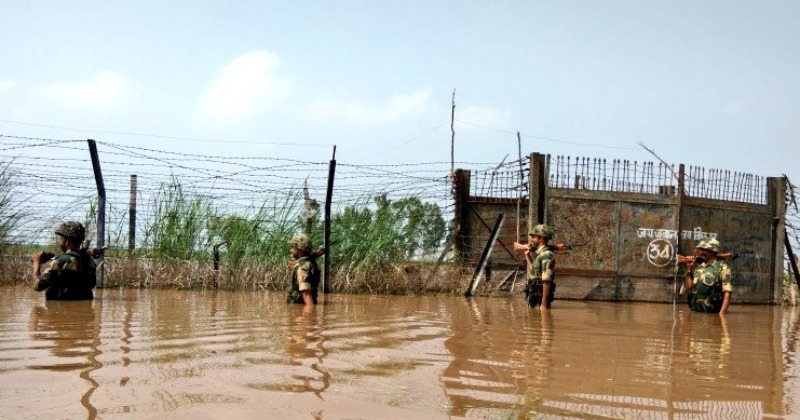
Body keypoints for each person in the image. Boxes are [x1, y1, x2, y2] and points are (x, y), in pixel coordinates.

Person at [31, 221, 96, 300]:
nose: (60, 241)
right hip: (85, 309)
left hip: (60, 310)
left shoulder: (62, 261)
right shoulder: (90, 261)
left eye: (61, 238)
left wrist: (36, 263)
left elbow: (37, 286)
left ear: (67, 241)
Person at [684, 238, 733, 315]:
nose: (702, 252)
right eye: (701, 250)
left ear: (714, 251)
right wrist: (688, 270)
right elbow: (689, 287)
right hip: (694, 313)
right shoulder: (699, 268)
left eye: (706, 250)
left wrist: (722, 315)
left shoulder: (723, 268)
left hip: (712, 314)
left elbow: (727, 294)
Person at [525, 224, 556, 310]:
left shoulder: (547, 255)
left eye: (534, 237)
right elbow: (534, 273)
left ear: (541, 238)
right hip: (534, 299)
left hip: (540, 301)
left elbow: (547, 281)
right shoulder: (541, 254)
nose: (531, 239)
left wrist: (544, 304)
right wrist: (527, 256)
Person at [286, 233, 320, 307]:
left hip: (298, 309)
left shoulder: (302, 267)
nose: (290, 250)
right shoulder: (311, 262)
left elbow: (306, 294)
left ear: (298, 248)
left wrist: (309, 315)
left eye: (292, 246)